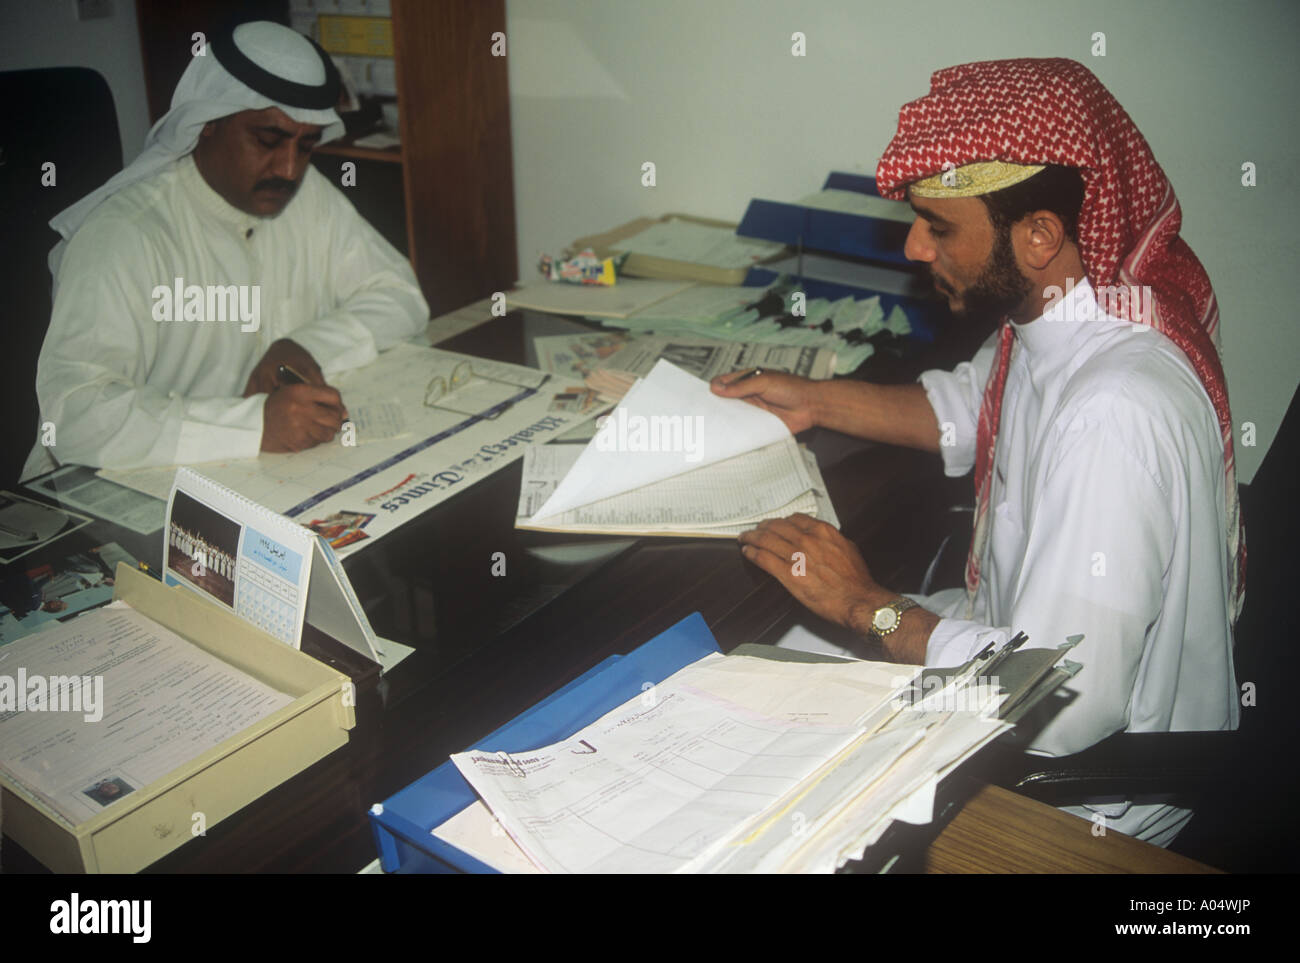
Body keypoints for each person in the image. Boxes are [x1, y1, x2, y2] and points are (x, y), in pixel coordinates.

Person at [712, 58, 1243, 846]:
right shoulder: (1072, 311)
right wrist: (815, 399)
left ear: (1039, 235)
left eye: (939, 226)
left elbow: (1063, 702)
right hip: (1008, 645)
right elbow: (971, 405)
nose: (914, 247)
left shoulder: (1112, 415)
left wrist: (865, 604)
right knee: (747, 669)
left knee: (756, 791)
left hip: (1082, 803)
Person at [22, 20, 428, 479]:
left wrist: (305, 346)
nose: (289, 169)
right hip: (105, 492)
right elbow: (75, 418)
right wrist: (253, 426)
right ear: (207, 124)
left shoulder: (304, 194)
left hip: (256, 477)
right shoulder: (123, 234)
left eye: (307, 146)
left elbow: (401, 296)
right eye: (268, 140)